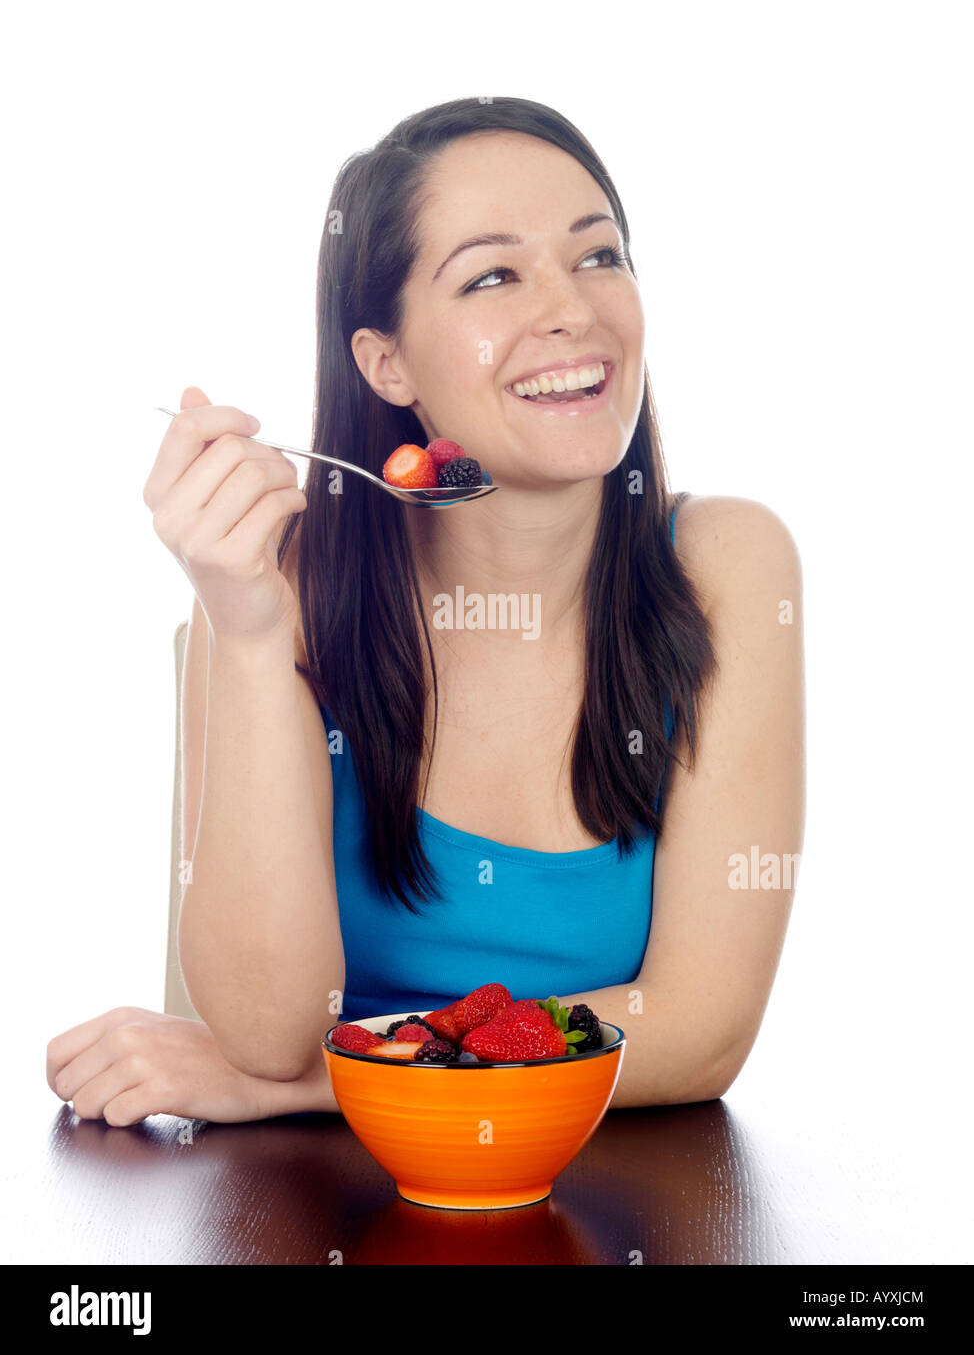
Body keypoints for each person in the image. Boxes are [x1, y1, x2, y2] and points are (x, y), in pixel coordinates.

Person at [46, 97, 804, 1126]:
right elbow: (268, 1027)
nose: (571, 310)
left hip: (588, 1192)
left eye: (598, 256)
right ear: (385, 363)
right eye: (492, 275)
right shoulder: (283, 586)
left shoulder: (728, 565)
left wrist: (317, 1086)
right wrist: (252, 631)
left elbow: (698, 1029)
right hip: (321, 1205)